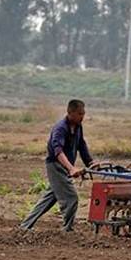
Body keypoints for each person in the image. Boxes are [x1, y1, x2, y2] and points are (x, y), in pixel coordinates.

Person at [20, 99, 100, 232]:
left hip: (64, 166)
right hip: (55, 166)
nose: (83, 117)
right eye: (80, 114)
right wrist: (71, 168)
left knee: (49, 198)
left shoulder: (78, 126)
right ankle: (67, 230)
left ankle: (25, 226)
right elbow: (58, 151)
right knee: (71, 198)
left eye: (83, 113)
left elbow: (81, 145)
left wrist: (90, 162)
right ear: (70, 113)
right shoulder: (60, 128)